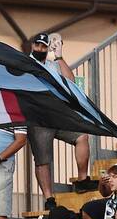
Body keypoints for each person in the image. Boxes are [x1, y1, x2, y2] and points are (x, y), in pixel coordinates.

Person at [26, 33, 93, 199]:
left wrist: (59, 55)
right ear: (32, 46)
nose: (40, 49)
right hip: (38, 118)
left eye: (43, 46)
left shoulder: (52, 64)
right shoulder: (25, 63)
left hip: (58, 114)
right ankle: (49, 198)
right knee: (42, 160)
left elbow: (70, 80)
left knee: (82, 136)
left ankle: (83, 179)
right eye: (37, 45)